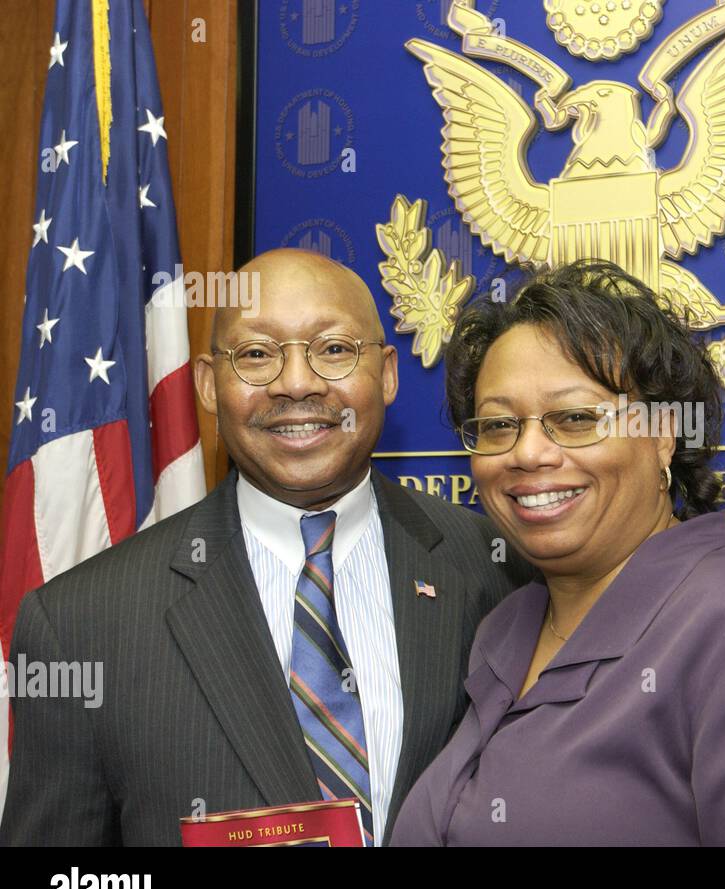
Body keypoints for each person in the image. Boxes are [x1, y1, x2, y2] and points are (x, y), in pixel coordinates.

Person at [0, 248, 531, 846]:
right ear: (207, 384)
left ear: (386, 374)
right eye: (256, 354)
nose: (297, 383)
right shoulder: (80, 624)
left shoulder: (502, 572)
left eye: (333, 349)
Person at [391, 260, 725, 846]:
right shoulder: (505, 627)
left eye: (576, 418)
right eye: (500, 425)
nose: (527, 452)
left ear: (662, 436)